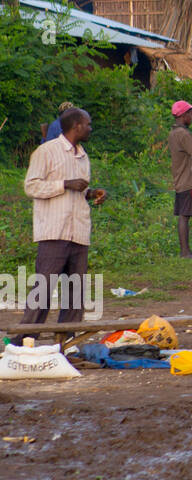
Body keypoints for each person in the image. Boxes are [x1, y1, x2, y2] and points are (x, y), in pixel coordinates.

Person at [21, 108, 106, 327]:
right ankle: (24, 342)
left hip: (78, 232)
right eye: (87, 124)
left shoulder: (82, 155)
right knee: (43, 292)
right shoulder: (47, 151)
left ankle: (67, 344)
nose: (90, 128)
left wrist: (90, 193)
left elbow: (76, 191)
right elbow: (31, 186)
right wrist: (65, 184)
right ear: (76, 125)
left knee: (74, 296)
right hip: (54, 231)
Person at [167, 100, 192, 258]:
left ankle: (185, 251)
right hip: (188, 180)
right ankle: (185, 251)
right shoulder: (183, 134)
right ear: (183, 115)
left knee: (183, 215)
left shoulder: (174, 133)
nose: (191, 116)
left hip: (180, 179)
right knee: (185, 216)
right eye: (190, 113)